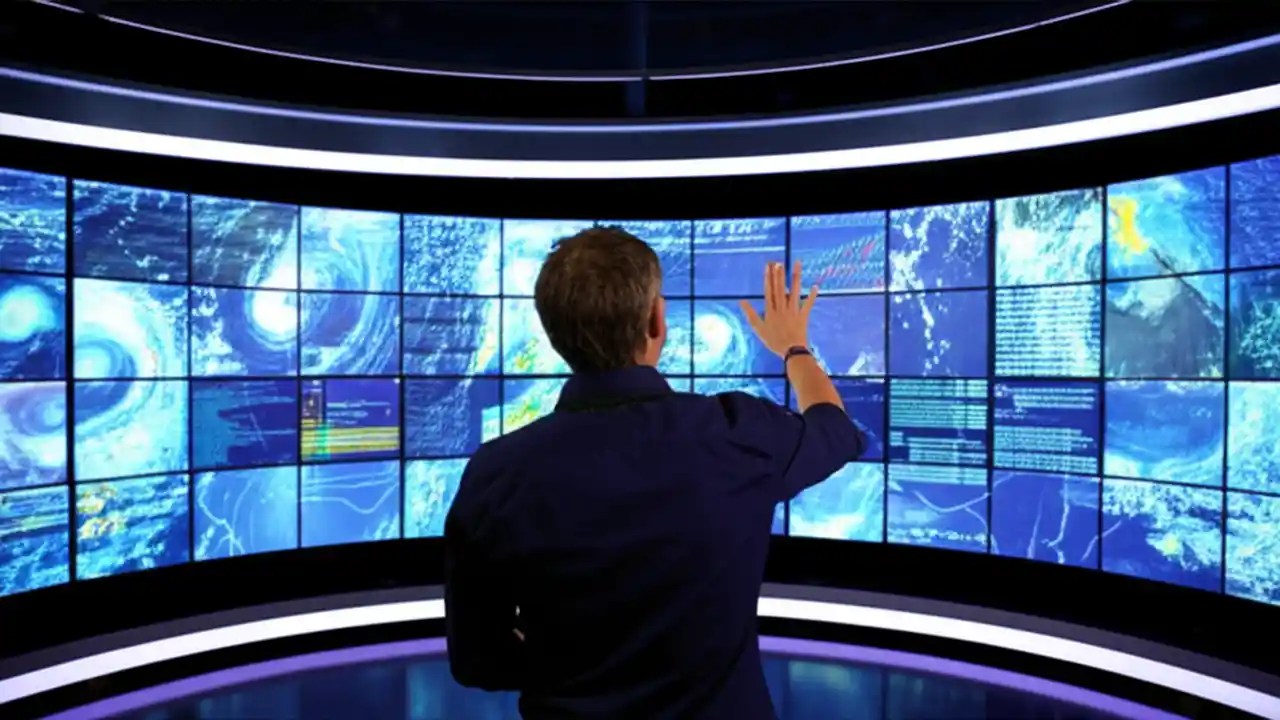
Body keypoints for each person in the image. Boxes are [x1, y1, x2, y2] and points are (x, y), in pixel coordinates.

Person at [444, 226, 865, 719]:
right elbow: (835, 430)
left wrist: (569, 668)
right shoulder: (737, 435)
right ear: (656, 320)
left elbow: (477, 662)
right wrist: (794, 347)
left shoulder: (495, 474)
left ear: (553, 333)